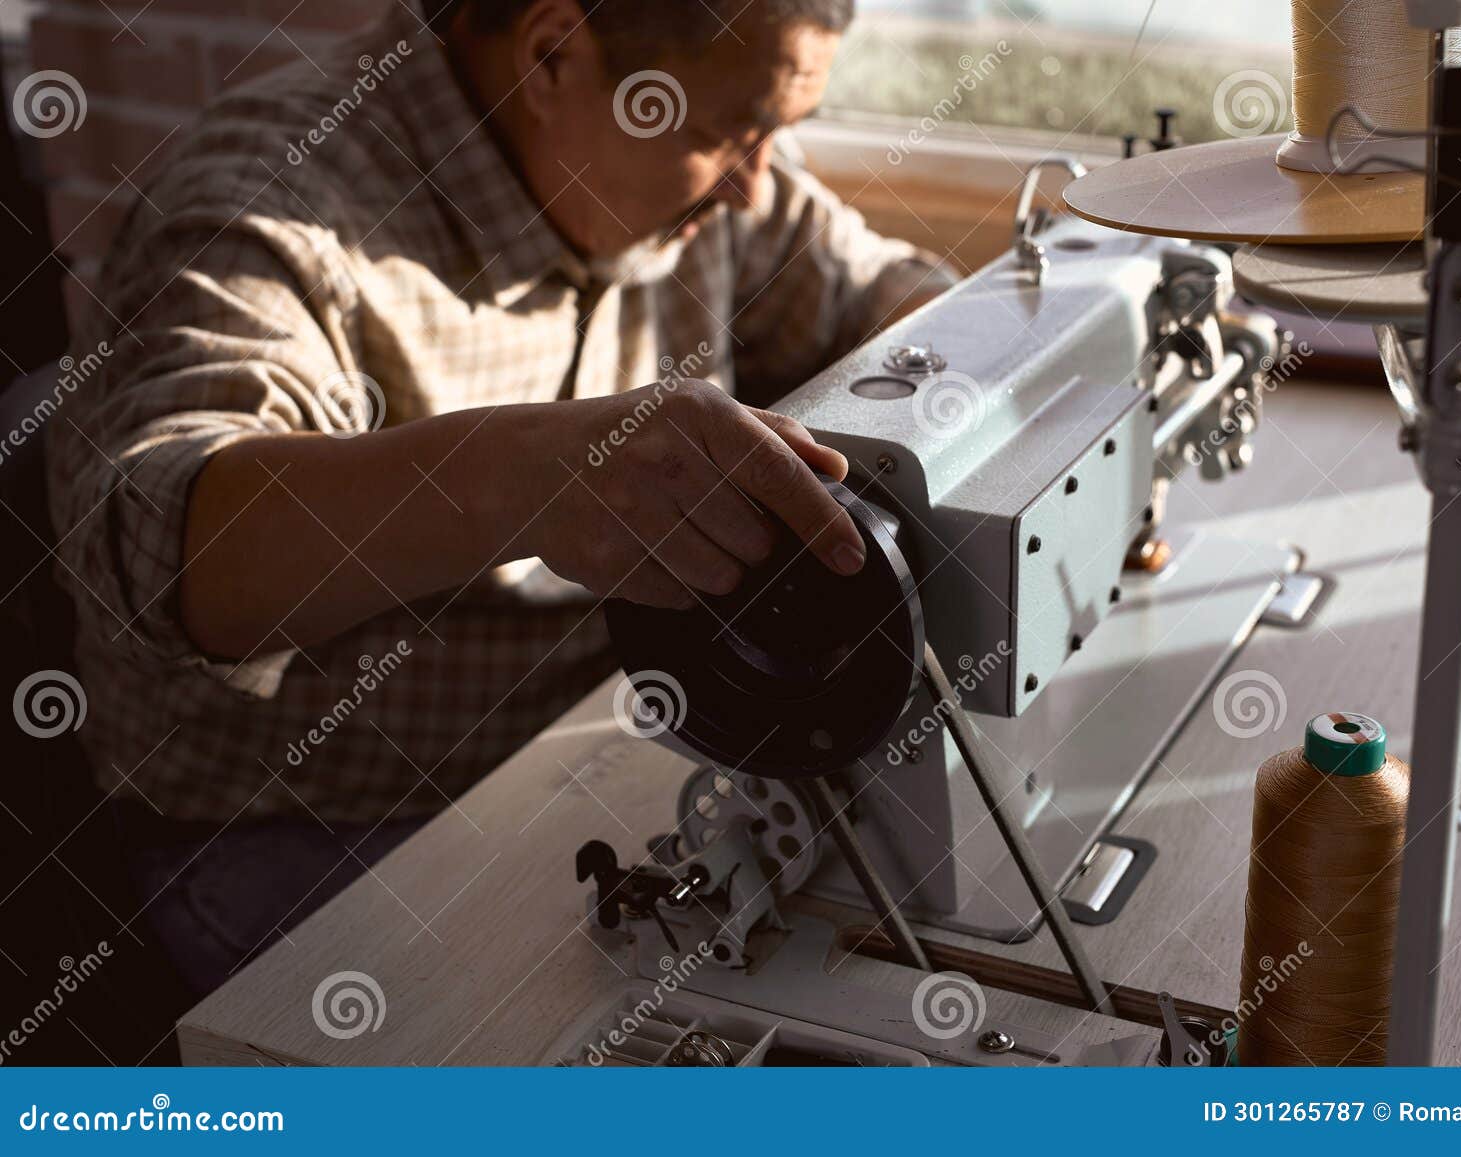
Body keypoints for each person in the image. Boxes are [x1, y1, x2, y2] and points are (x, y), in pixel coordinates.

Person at [46, 0, 949, 993]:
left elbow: (890, 297)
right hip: (319, 830)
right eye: (720, 135)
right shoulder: (274, 204)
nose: (755, 182)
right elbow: (159, 549)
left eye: (777, 130)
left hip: (599, 756)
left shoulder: (701, 160)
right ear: (554, 52)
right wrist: (521, 476)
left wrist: (989, 406)